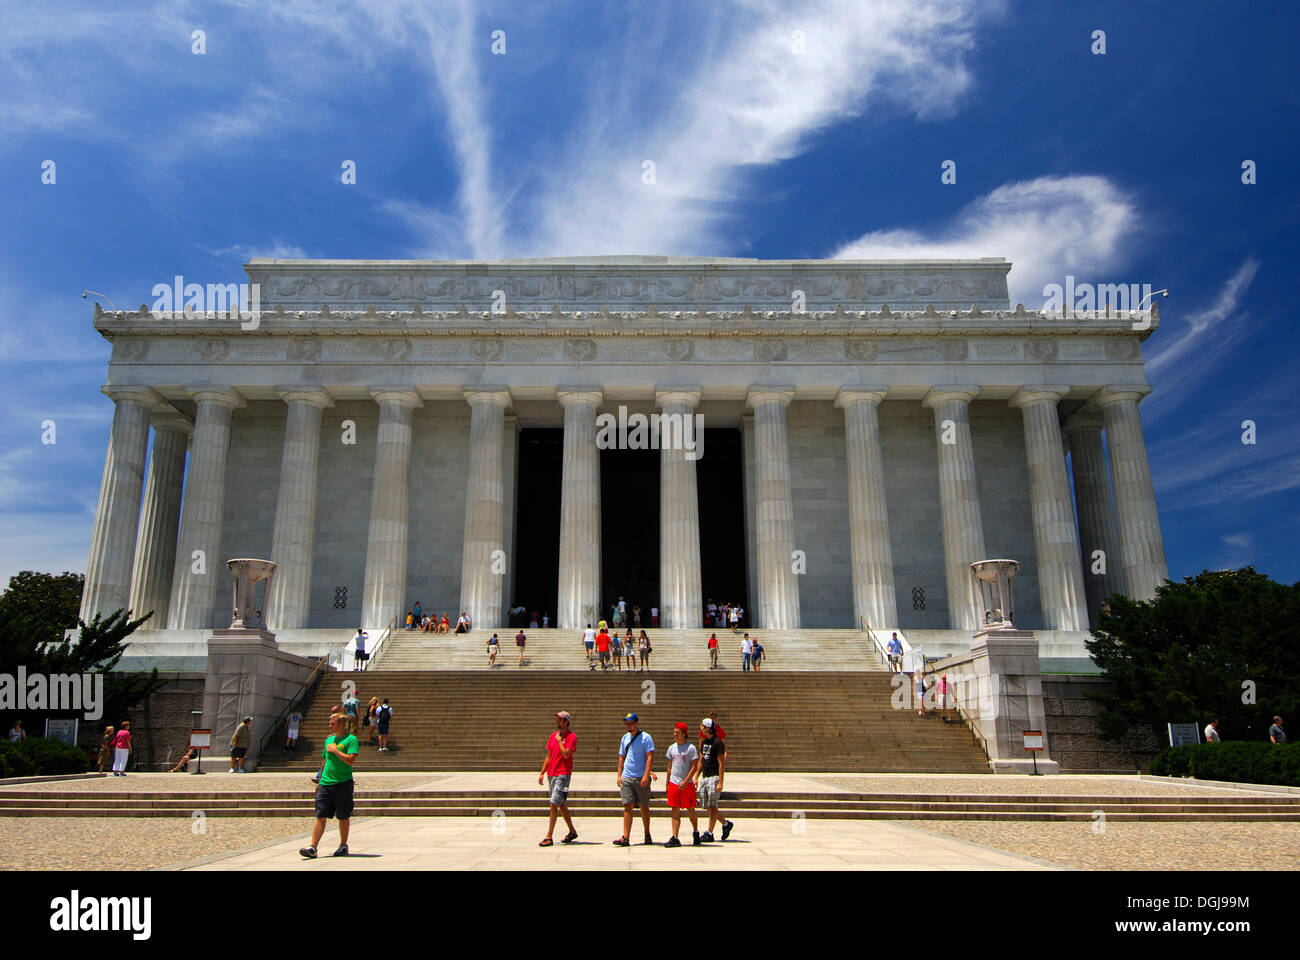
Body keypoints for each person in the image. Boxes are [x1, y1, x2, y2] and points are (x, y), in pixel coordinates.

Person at [300, 712, 358, 858]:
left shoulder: (351, 740)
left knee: (343, 815)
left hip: (343, 782)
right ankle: (313, 847)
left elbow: (351, 760)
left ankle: (343, 845)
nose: (329, 726)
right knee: (320, 814)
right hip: (326, 782)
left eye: (332, 723)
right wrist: (319, 783)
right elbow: (324, 762)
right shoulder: (328, 740)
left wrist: (336, 750)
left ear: (340, 724)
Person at [613, 712, 655, 846]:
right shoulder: (625, 738)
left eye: (630, 723)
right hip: (627, 776)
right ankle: (625, 837)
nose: (628, 726)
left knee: (644, 806)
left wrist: (646, 775)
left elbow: (649, 757)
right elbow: (621, 757)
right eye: (627, 723)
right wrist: (619, 775)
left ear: (636, 723)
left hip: (640, 777)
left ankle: (647, 834)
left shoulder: (646, 738)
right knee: (627, 806)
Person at [538, 711, 578, 846]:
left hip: (563, 774)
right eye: (557, 720)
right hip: (552, 773)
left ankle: (549, 836)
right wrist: (542, 772)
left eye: (560, 720)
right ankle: (572, 831)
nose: (558, 722)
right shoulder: (552, 736)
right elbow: (549, 756)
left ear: (566, 721)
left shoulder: (572, 737)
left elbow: (566, 755)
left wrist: (560, 741)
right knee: (560, 803)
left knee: (554, 803)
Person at [664, 722, 701, 846]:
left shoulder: (690, 748)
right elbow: (669, 766)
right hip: (674, 783)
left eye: (677, 732)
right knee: (675, 809)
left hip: (687, 784)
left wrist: (686, 781)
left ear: (684, 733)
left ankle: (695, 831)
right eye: (674, 732)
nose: (675, 734)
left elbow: (694, 766)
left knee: (691, 809)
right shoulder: (672, 748)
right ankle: (675, 837)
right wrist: (667, 783)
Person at [695, 717, 732, 841]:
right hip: (705, 776)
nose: (701, 728)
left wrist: (720, 782)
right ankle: (726, 824)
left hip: (714, 776)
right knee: (707, 806)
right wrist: (696, 776)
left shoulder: (718, 743)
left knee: (713, 805)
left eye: (702, 726)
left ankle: (709, 833)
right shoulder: (705, 742)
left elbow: (721, 764)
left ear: (707, 728)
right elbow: (701, 760)